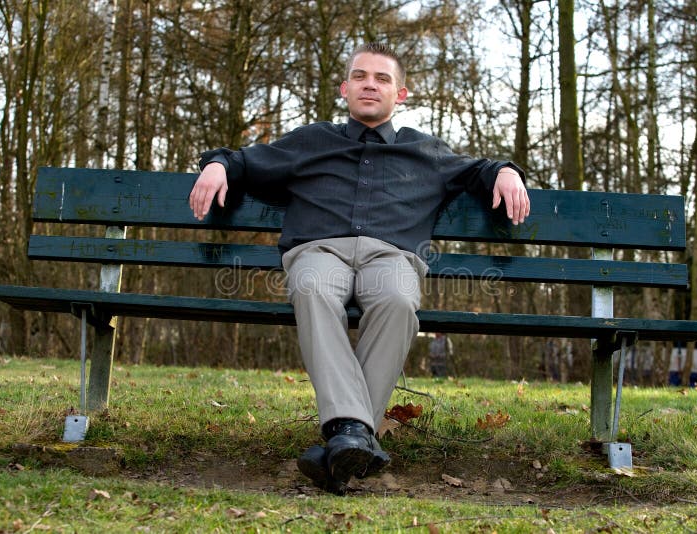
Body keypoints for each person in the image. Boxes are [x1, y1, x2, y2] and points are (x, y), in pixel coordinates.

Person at [189, 42, 529, 494]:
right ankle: (356, 434)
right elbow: (245, 161)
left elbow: (478, 169)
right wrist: (216, 164)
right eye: (362, 76)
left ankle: (345, 439)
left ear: (400, 94)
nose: (371, 84)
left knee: (398, 299)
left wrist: (506, 171)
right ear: (345, 88)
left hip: (391, 257)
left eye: (382, 78)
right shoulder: (310, 141)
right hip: (319, 251)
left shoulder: (425, 151)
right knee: (311, 287)